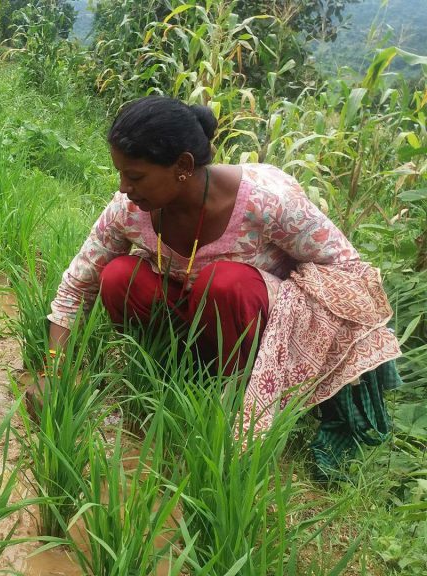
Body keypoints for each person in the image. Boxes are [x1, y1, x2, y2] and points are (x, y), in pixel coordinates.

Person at [46, 95, 403, 479]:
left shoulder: (266, 202)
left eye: (135, 176)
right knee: (119, 276)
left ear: (183, 166)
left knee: (226, 282)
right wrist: (57, 376)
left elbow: (348, 270)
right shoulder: (130, 209)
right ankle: (166, 377)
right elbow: (76, 286)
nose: (123, 187)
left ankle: (233, 402)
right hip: (189, 319)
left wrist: (296, 318)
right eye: (121, 174)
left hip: (253, 329)